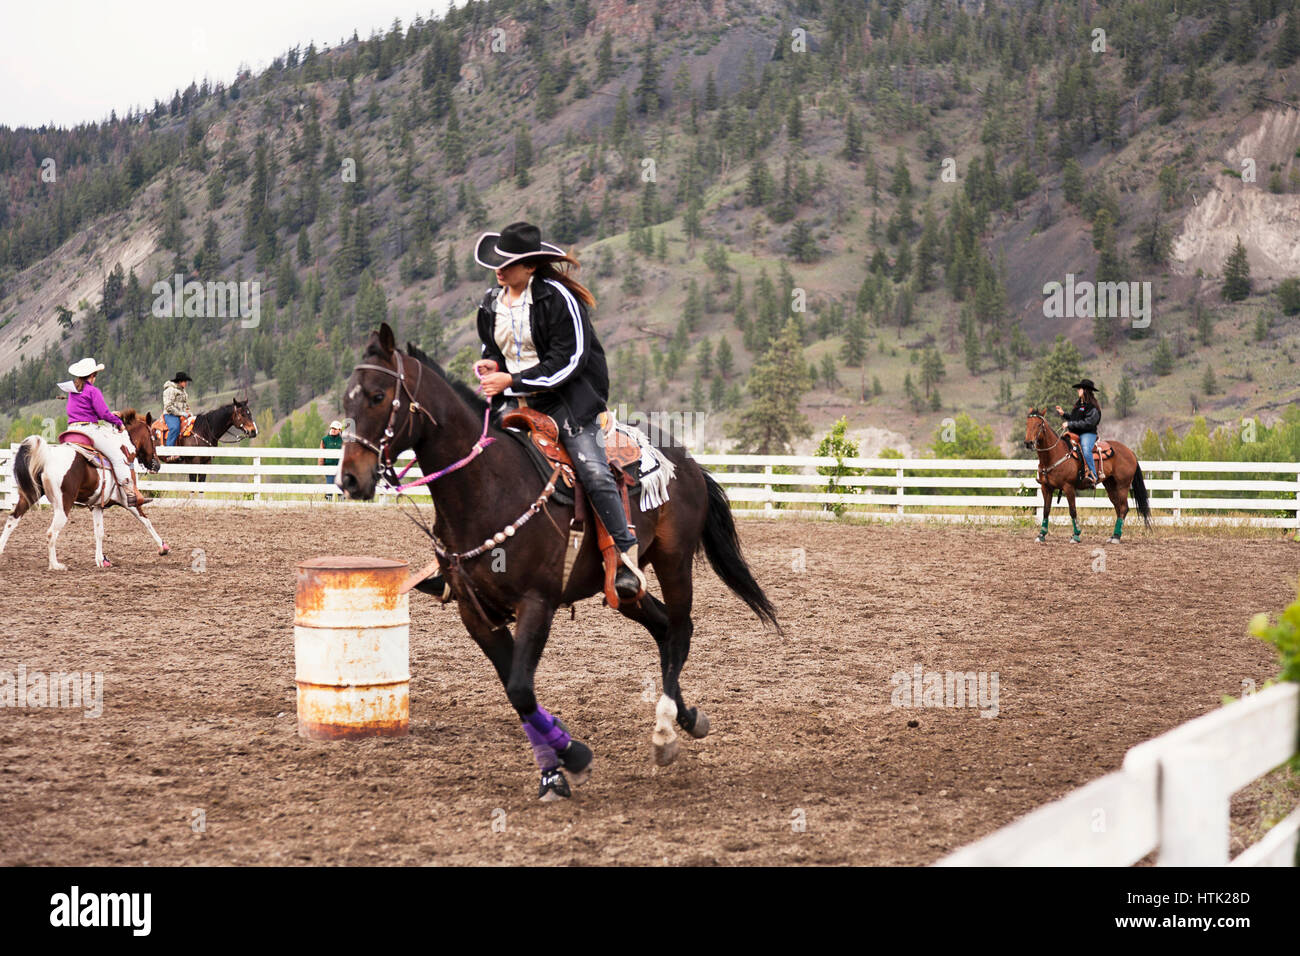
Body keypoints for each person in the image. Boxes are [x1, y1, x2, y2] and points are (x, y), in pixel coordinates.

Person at [416, 221, 648, 604]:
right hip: (514, 399)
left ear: (531, 266)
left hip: (568, 401)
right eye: (498, 263)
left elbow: (569, 359)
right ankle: (454, 564)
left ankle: (624, 557)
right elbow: (493, 348)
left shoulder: (559, 298)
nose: (499, 270)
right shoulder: (491, 302)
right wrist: (491, 366)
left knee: (592, 469)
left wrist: (511, 381)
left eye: (509, 263)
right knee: (473, 463)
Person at [59, 357, 145, 506]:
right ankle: (129, 493)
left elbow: (89, 411)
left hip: (72, 429)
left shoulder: (73, 391)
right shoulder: (93, 390)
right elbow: (103, 414)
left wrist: (108, 414)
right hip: (89, 430)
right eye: (95, 375)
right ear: (92, 376)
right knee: (117, 457)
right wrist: (118, 423)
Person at [1056, 378, 1102, 484]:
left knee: (1086, 449)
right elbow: (1075, 418)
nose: (1078, 390)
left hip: (1088, 433)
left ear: (1086, 390)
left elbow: (1088, 423)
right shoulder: (1078, 405)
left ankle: (1093, 475)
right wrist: (1064, 414)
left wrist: (1070, 424)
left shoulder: (1093, 408)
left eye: (1080, 388)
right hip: (1076, 433)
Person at [162, 372, 192, 446]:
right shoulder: (170, 390)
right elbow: (168, 406)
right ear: (179, 381)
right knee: (175, 428)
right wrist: (181, 413)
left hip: (181, 414)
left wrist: (188, 412)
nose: (186, 383)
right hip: (170, 415)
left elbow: (185, 404)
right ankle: (169, 451)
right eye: (184, 381)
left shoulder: (183, 391)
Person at [319, 420, 344, 495]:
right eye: (332, 428)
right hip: (328, 467)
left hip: (340, 467)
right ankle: (328, 502)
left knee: (341, 486)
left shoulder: (343, 440)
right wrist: (320, 466)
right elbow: (321, 454)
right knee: (329, 486)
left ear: (339, 430)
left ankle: (341, 502)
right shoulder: (325, 440)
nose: (333, 430)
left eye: (335, 428)